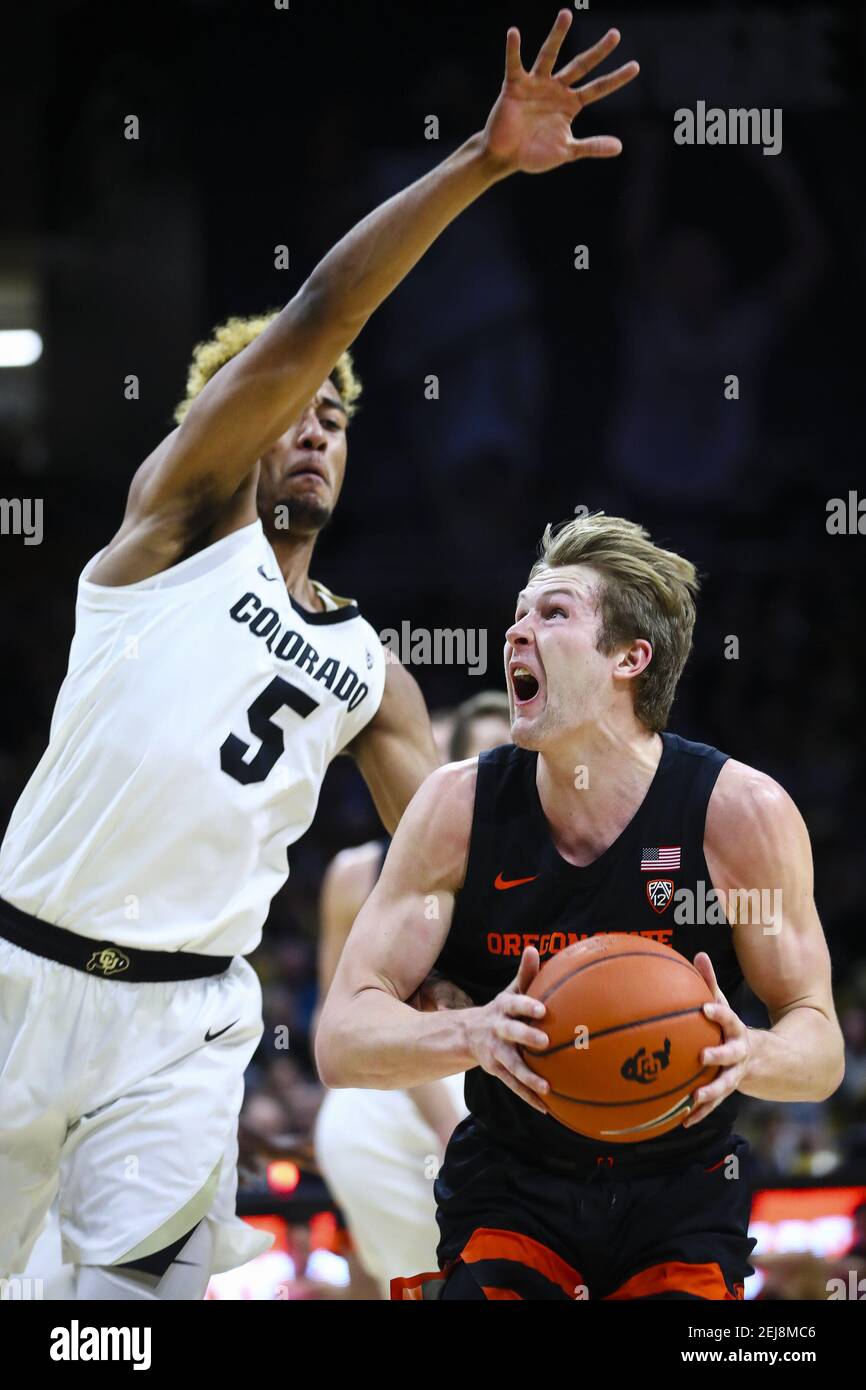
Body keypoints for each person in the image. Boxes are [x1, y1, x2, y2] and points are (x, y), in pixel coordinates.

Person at [0, 14, 639, 1300]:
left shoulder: (371, 674)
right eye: (288, 405)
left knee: (123, 1321)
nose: (313, 427)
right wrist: (481, 162)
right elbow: (317, 312)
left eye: (336, 415)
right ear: (223, 427)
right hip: (22, 970)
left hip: (186, 1028)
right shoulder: (173, 528)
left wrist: (574, 987)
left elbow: (456, 868)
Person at [316, 513, 845, 1300]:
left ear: (632, 657)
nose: (517, 631)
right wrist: (473, 1031)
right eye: (519, 612)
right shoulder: (457, 808)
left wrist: (749, 1055)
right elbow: (343, 1041)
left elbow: (820, 1045)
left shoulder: (741, 812)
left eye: (553, 614)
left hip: (682, 1189)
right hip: (513, 1185)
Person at [314, 694, 510, 1297]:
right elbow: (346, 1032)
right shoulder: (365, 873)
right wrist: (452, 1129)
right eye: (483, 763)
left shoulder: (563, 861)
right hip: (404, 1087)